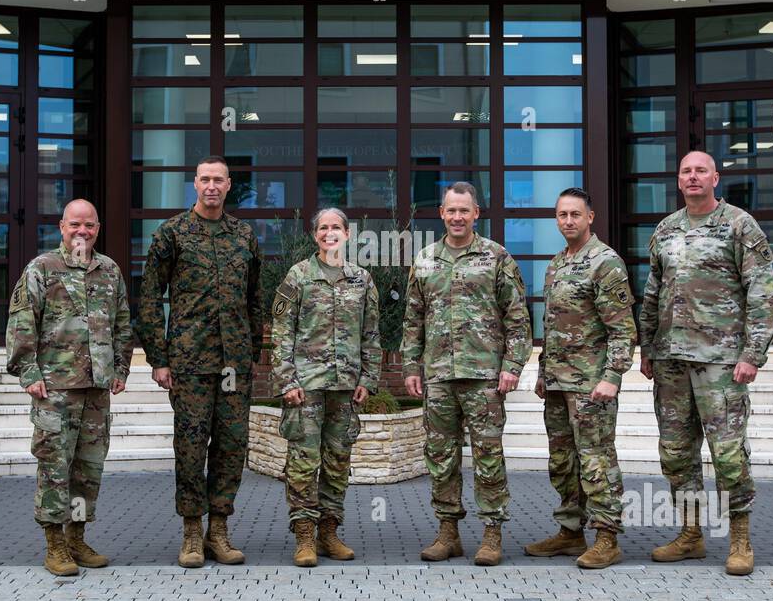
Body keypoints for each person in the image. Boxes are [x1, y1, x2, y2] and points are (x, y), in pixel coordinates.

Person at [639, 151, 773, 576]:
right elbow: (652, 293)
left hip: (721, 362)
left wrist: (752, 354)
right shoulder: (665, 230)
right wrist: (647, 348)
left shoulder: (739, 225)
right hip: (670, 362)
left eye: (701, 170)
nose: (693, 177)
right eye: (686, 171)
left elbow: (763, 294)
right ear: (678, 180)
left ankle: (740, 538)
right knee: (676, 453)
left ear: (715, 178)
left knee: (728, 453)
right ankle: (690, 534)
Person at [135, 156, 263, 568]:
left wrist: (254, 353)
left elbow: (254, 298)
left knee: (231, 446)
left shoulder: (243, 234)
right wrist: (158, 357)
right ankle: (192, 530)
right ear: (195, 184)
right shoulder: (171, 233)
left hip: (233, 364)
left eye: (218, 180)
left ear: (229, 186)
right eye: (205, 179)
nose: (212, 186)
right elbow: (151, 297)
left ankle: (219, 531)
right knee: (190, 447)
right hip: (190, 361)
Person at [401, 182, 531, 566]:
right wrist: (411, 365)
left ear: (477, 213)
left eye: (465, 210)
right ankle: (448, 532)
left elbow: (517, 317)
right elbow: (413, 318)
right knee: (440, 456)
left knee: (488, 455)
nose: (457, 217)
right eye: (451, 210)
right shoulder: (425, 259)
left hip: (484, 376)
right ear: (441, 213)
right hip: (439, 375)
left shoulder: (497, 257)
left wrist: (512, 366)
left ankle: (492, 533)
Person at [5, 199, 131, 577]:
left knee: (88, 469)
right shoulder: (42, 269)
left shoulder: (109, 270)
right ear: (62, 227)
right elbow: (21, 322)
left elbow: (122, 322)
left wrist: (120, 367)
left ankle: (77, 538)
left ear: (98, 228)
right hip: (55, 390)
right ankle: (55, 545)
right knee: (55, 468)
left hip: (96, 389)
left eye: (89, 225)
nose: (83, 231)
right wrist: (29, 372)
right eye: (75, 224)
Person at [527, 188, 637, 569]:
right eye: (561, 215)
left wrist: (612, 377)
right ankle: (571, 533)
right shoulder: (557, 263)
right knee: (562, 461)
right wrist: (543, 371)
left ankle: (607, 537)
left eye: (575, 214)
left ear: (591, 217)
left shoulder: (605, 263)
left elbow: (623, 330)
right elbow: (553, 326)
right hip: (558, 383)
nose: (568, 221)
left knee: (596, 460)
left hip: (591, 385)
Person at [270, 208, 382, 566]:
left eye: (336, 227)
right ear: (314, 234)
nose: (329, 233)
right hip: (306, 386)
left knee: (337, 462)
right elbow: (280, 332)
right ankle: (304, 536)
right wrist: (286, 379)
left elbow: (371, 334)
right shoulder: (299, 276)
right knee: (303, 462)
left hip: (345, 387)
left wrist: (368, 378)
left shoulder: (361, 279)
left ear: (347, 234)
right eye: (323, 228)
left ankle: (329, 533)